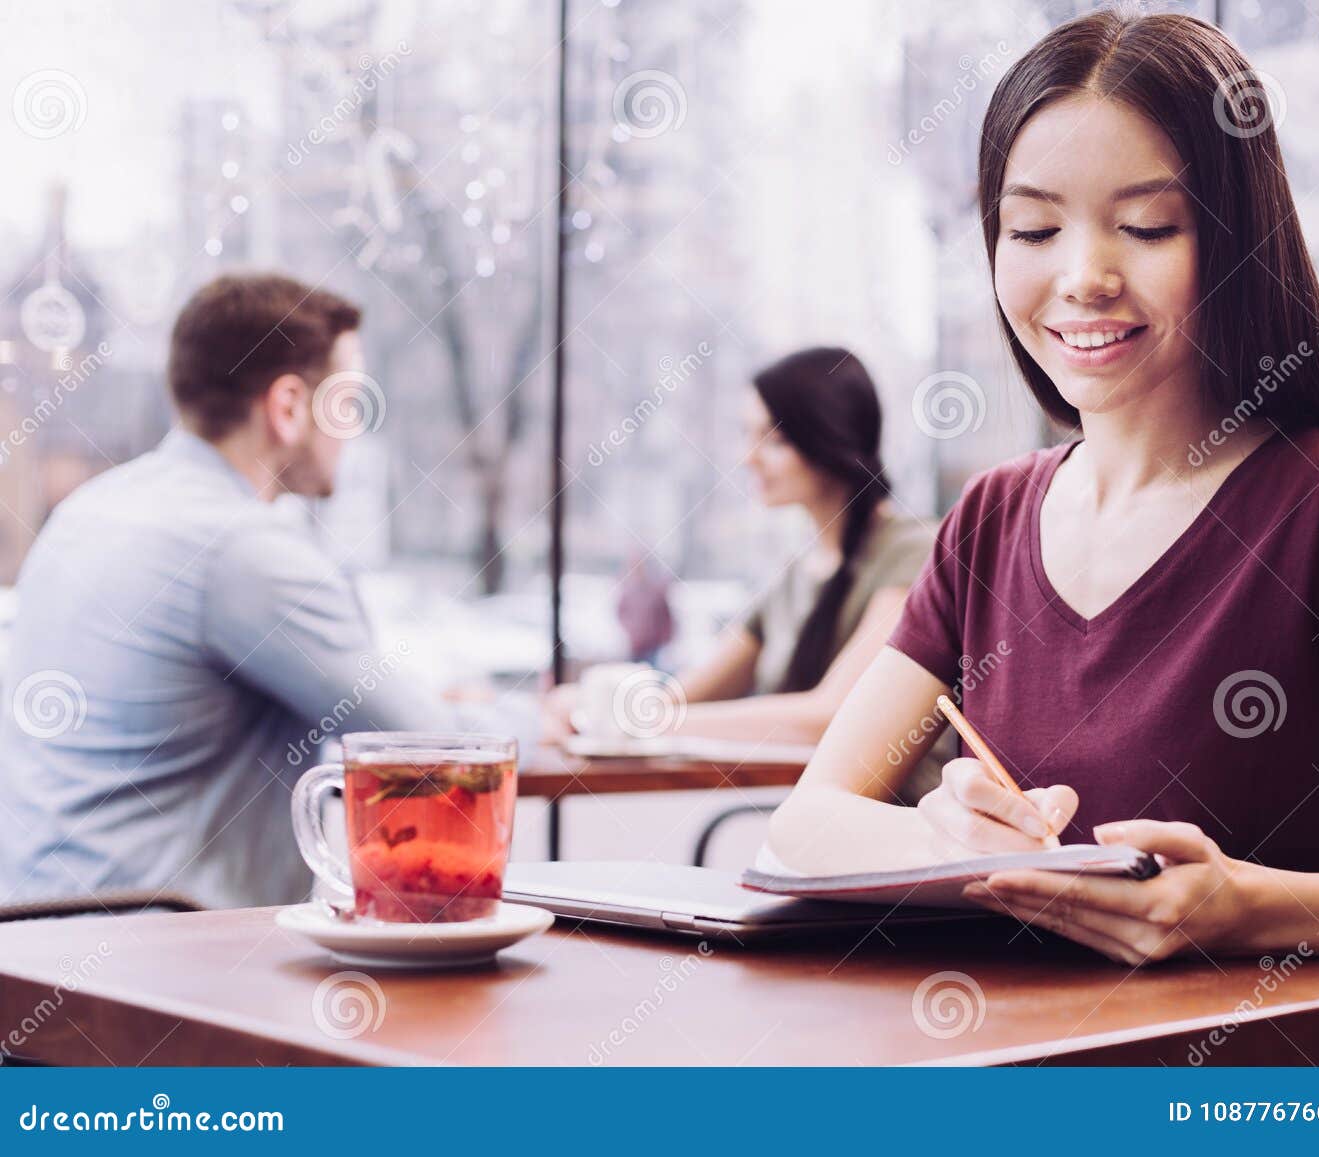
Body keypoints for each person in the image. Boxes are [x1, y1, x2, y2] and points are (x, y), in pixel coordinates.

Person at [768, 10, 1319, 967]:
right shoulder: (991, 519)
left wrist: (1254, 907)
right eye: (1035, 227)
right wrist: (949, 838)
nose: (1083, 277)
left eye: (1147, 227)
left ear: (1240, 240)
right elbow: (803, 826)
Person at [0, 273, 480, 910]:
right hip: (165, 960)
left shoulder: (89, 510)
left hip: (33, 945)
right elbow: (429, 748)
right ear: (287, 407)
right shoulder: (241, 549)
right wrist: (561, 719)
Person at [544, 348, 939, 778]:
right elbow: (684, 697)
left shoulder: (915, 552)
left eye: (776, 439)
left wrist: (638, 724)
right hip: (819, 821)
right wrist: (594, 707)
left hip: (904, 823)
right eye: (750, 435)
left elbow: (829, 719)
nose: (748, 457)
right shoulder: (798, 572)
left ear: (828, 438)